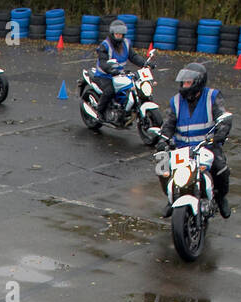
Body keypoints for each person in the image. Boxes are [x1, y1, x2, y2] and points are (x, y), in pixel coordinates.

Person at [155, 62, 233, 218]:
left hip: (207, 146)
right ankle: (172, 199)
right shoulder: (176, 101)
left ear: (198, 82)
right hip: (182, 148)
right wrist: (163, 139)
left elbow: (223, 117)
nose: (184, 85)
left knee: (220, 167)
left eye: (188, 82)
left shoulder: (212, 97)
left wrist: (219, 133)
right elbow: (169, 122)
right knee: (161, 164)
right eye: (183, 82)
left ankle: (220, 198)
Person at [92, 20, 148, 122]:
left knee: (132, 87)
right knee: (110, 91)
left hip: (119, 75)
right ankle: (99, 112)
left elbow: (133, 56)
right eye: (117, 34)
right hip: (103, 75)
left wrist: (145, 64)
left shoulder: (126, 43)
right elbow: (103, 62)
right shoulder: (105, 45)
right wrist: (110, 69)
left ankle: (125, 111)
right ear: (112, 34)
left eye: (121, 34)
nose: (119, 36)